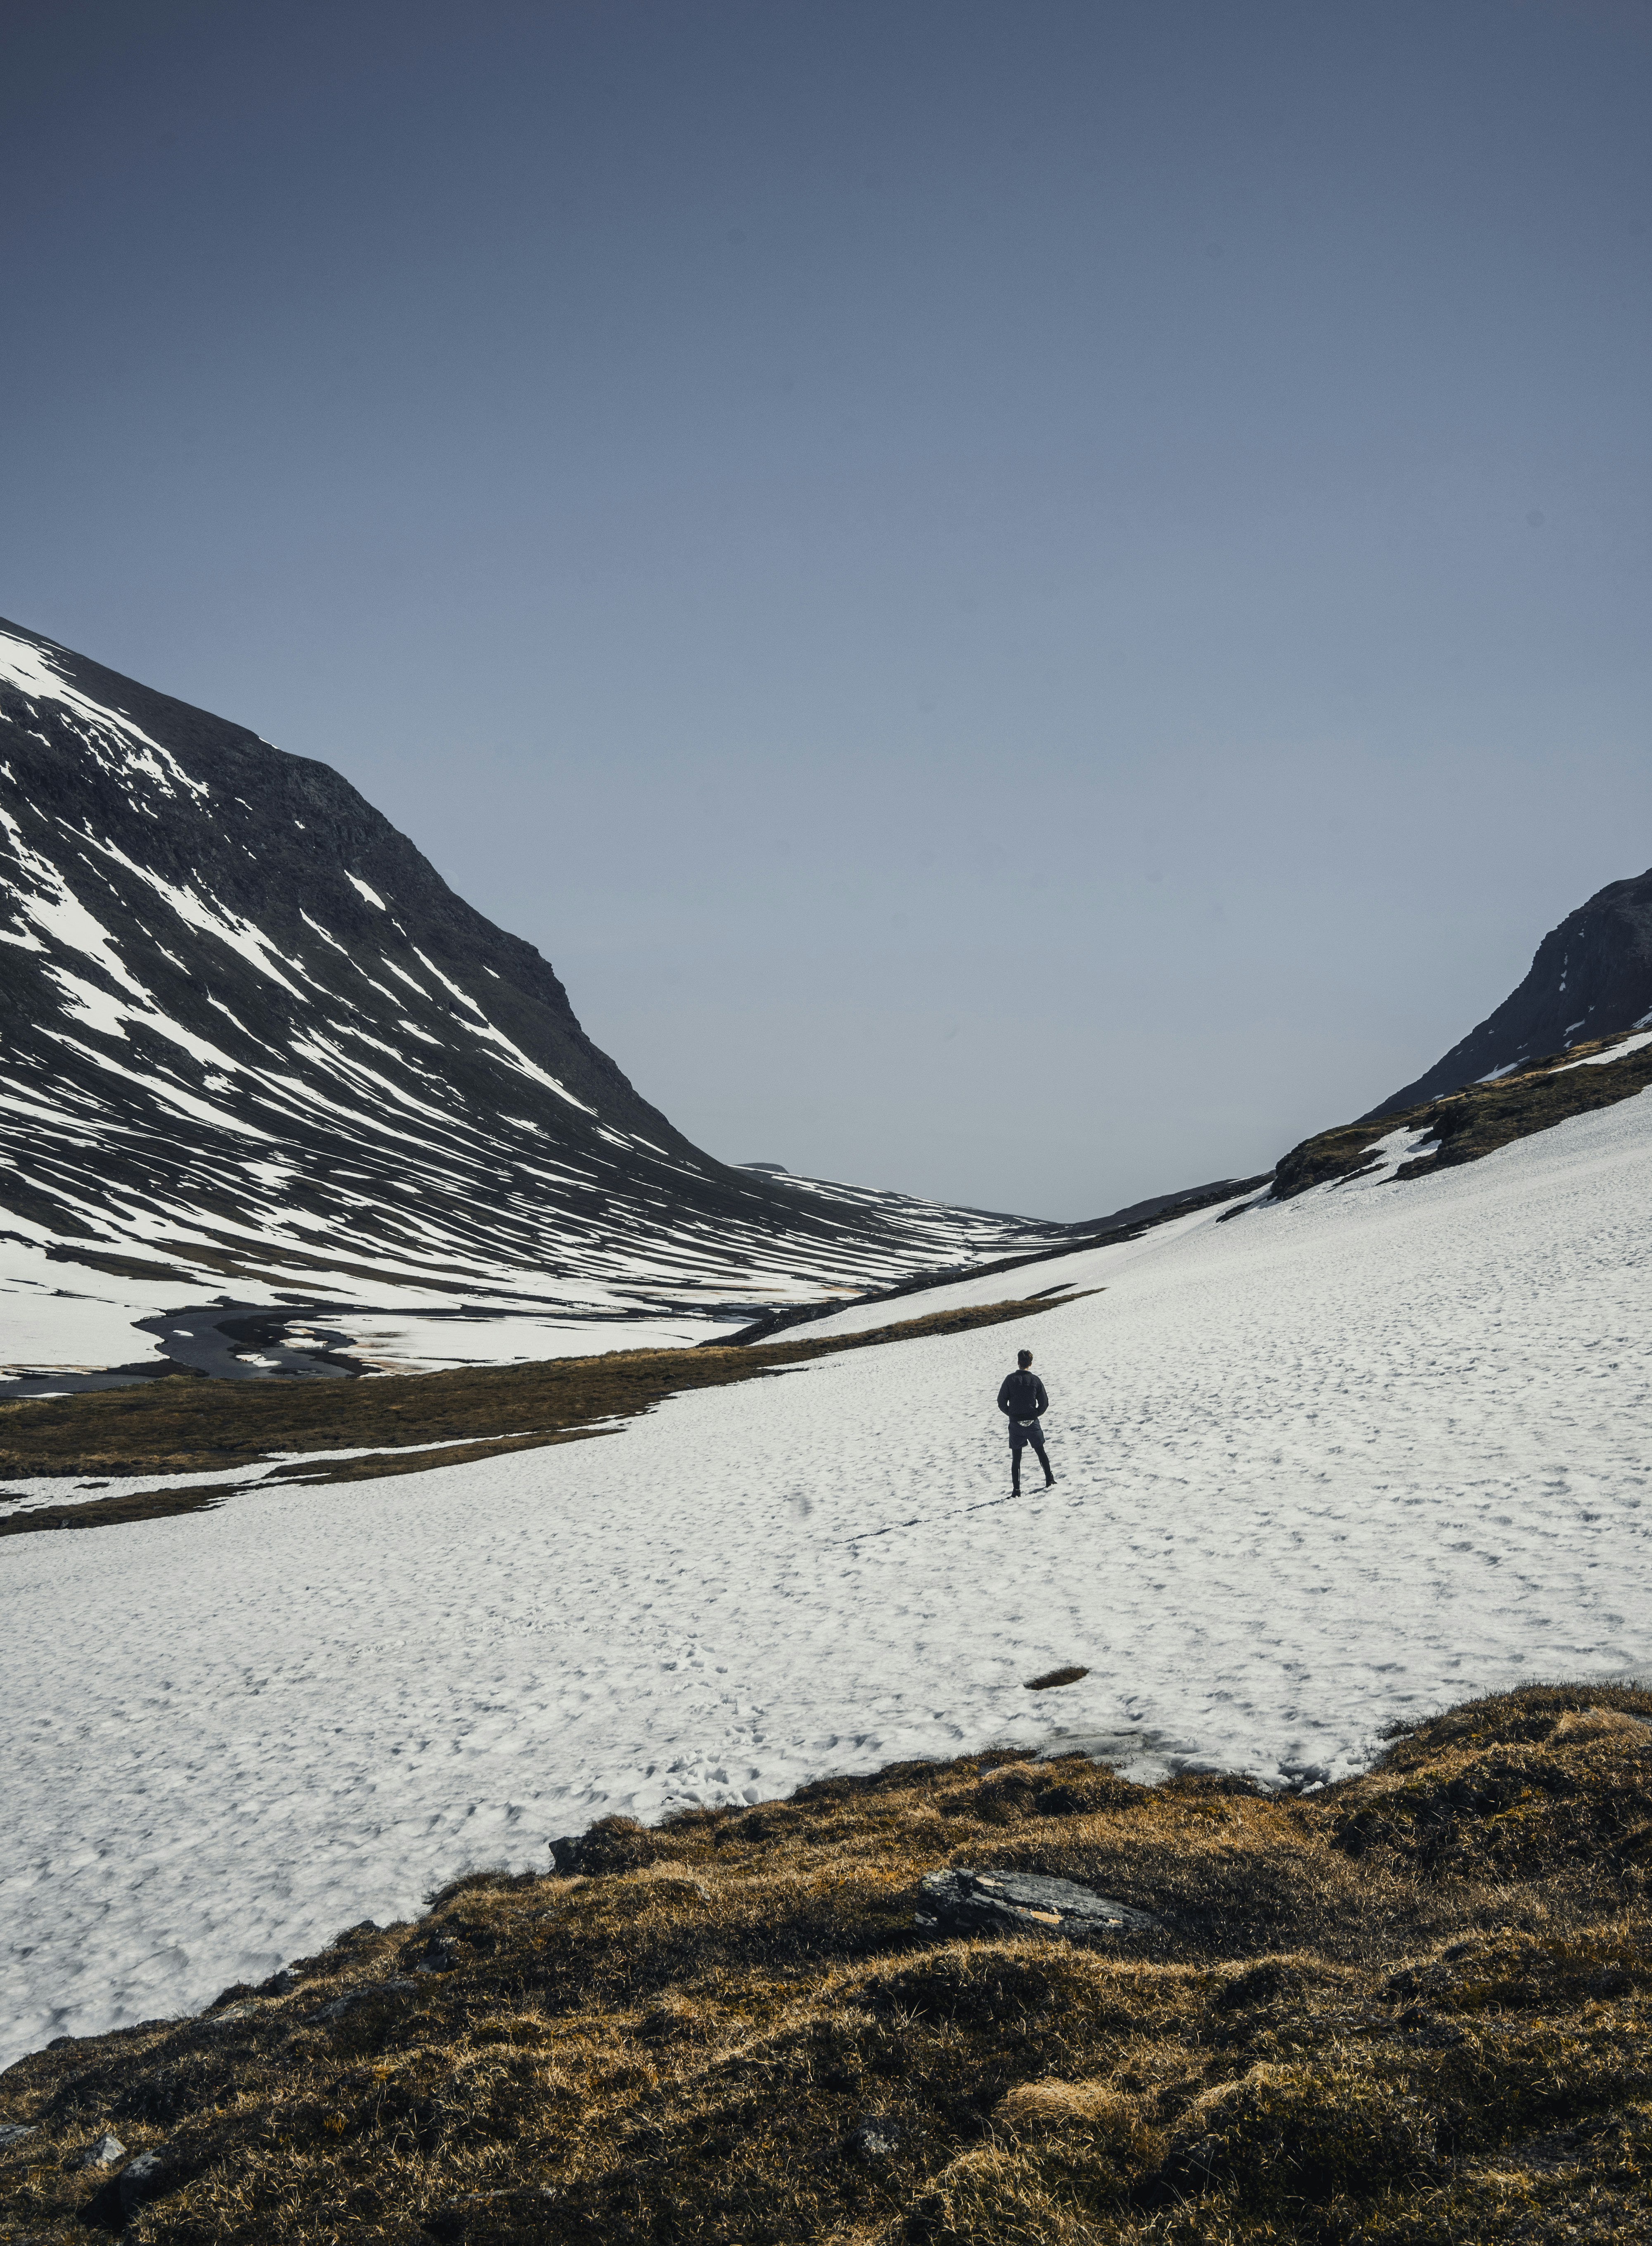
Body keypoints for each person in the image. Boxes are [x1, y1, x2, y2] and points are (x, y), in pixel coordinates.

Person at [997, 1347, 1054, 1494]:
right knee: (1041, 1452)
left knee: (1016, 1458)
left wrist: (1012, 1414)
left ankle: (1017, 1490)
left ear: (1018, 1363)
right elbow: (1045, 1403)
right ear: (1030, 1364)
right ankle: (1049, 1479)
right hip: (1032, 1422)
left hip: (1016, 1425)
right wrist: (1035, 1414)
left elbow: (1001, 1402)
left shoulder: (1010, 1379)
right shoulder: (1035, 1380)